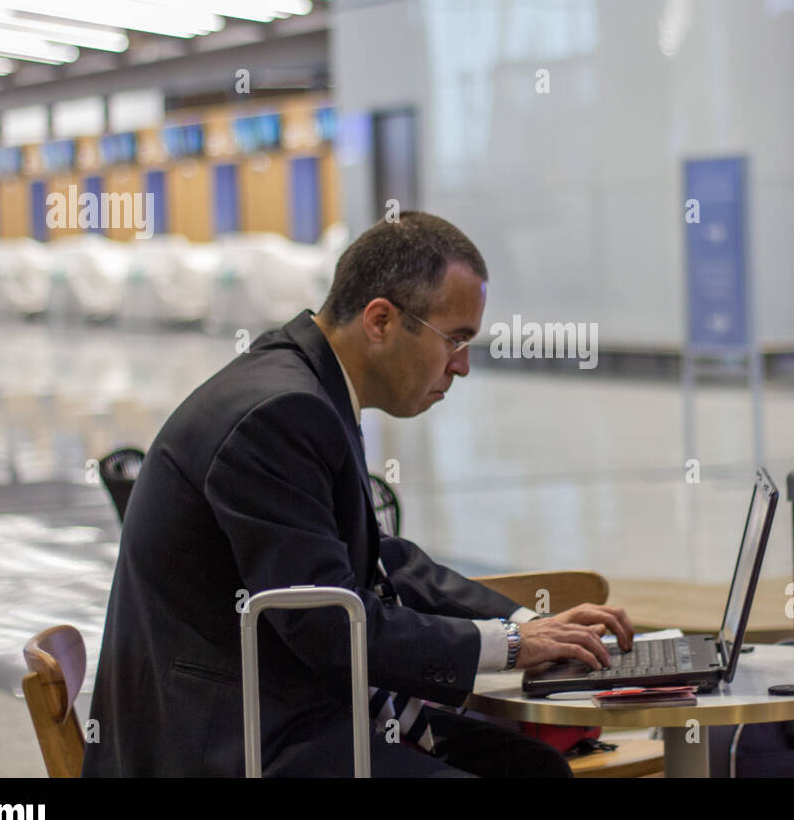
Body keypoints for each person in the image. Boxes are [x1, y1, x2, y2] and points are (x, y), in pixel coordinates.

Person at [83, 211, 633, 777]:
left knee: (532, 766)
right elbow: (330, 624)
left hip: (275, 708)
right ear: (380, 321)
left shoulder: (305, 388)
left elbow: (380, 560)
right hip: (227, 743)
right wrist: (509, 647)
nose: (463, 366)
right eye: (456, 339)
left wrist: (524, 625)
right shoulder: (278, 413)